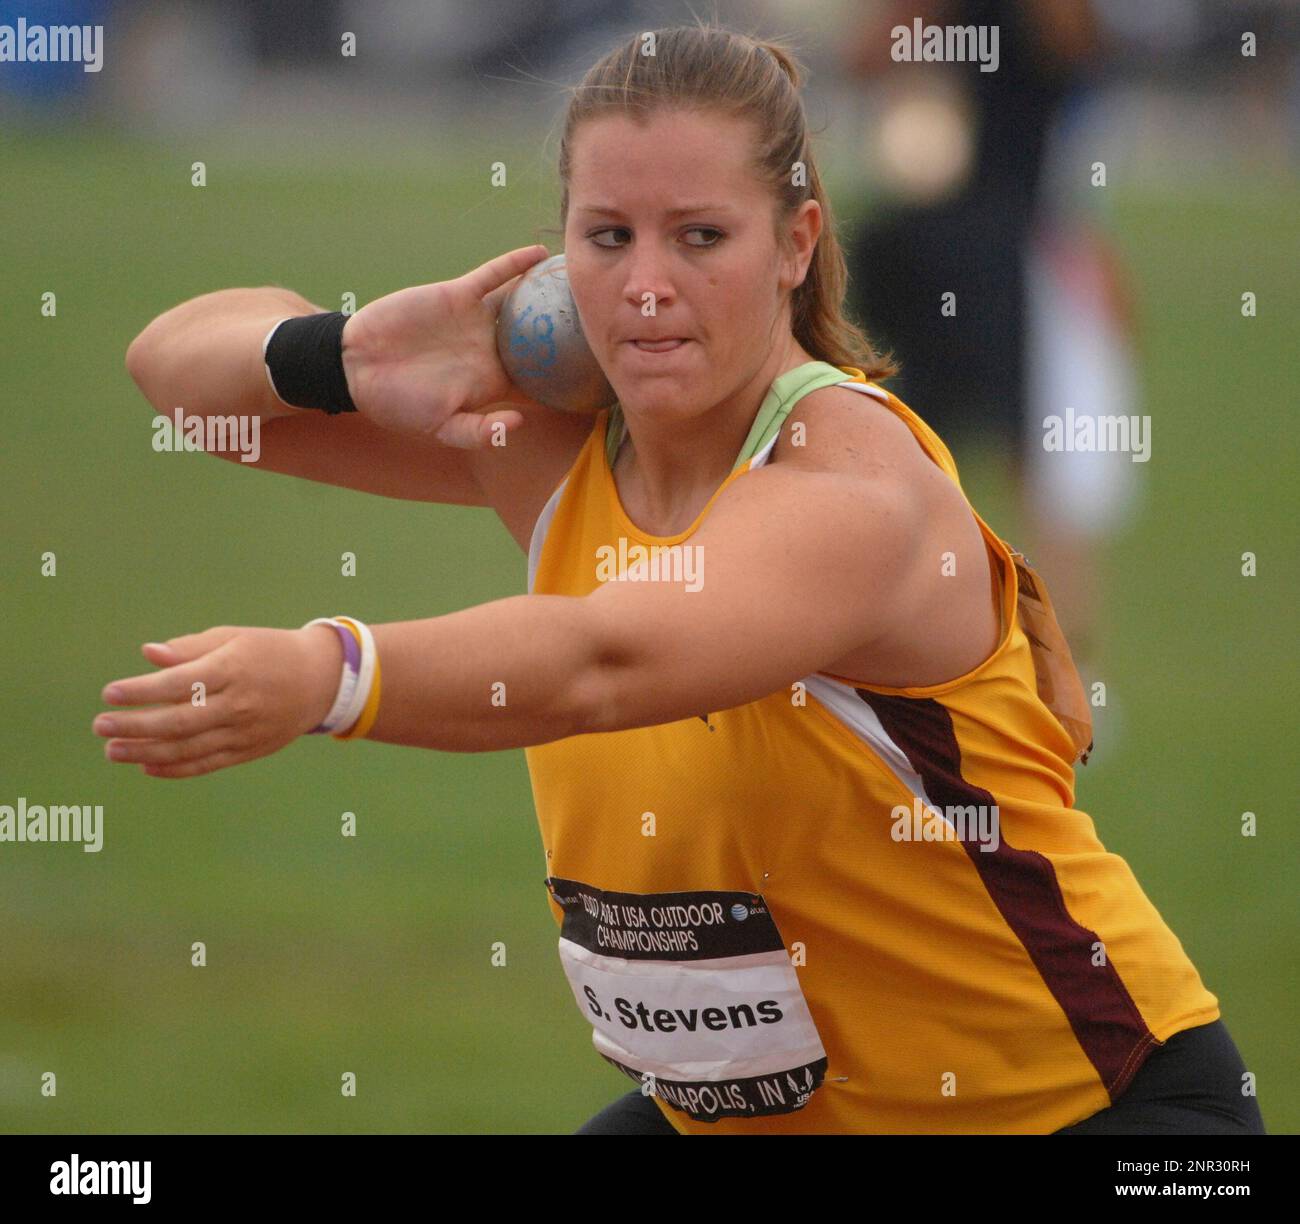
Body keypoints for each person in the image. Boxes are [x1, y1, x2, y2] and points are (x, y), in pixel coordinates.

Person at [107, 25, 1262, 1135]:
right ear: (556, 256)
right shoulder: (551, 443)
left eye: (699, 237)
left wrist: (330, 672)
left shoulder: (850, 481)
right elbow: (182, 381)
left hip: (1075, 1109)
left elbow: (605, 660)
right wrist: (351, 351)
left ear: (796, 243)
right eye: (607, 237)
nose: (646, 286)